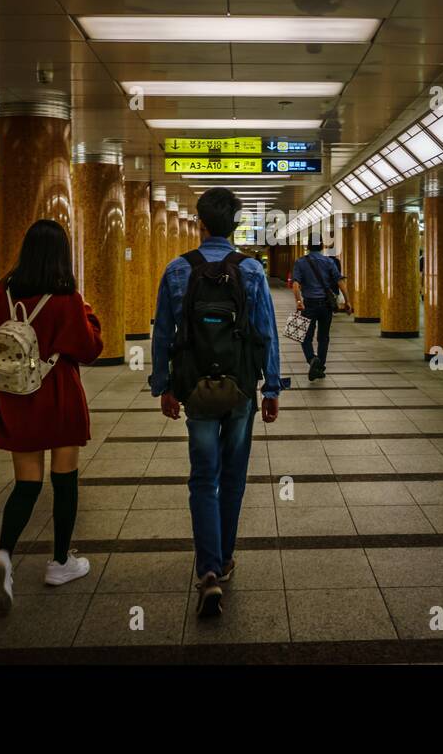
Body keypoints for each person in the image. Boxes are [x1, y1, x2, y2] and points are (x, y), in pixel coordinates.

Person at [150, 187, 282, 619]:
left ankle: (207, 569)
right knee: (233, 474)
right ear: (235, 225)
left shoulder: (176, 270)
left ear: (200, 223)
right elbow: (266, 333)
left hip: (196, 388)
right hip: (241, 386)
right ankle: (224, 559)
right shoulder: (251, 270)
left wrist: (164, 385)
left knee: (203, 476)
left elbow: (163, 334)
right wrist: (272, 387)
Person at [0, 219, 104, 615]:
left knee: (27, 484)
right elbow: (88, 349)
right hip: (57, 394)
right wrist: (90, 316)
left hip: (15, 397)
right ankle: (59, 563)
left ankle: (3, 553)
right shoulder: (65, 296)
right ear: (61, 254)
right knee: (65, 479)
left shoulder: (3, 291)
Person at [292, 240, 348, 381]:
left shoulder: (300, 262)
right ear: (322, 246)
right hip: (325, 306)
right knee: (323, 338)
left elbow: (295, 284)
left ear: (308, 247)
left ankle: (312, 359)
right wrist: (348, 301)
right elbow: (340, 282)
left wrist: (299, 302)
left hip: (309, 305)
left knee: (304, 336)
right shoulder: (329, 262)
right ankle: (320, 366)